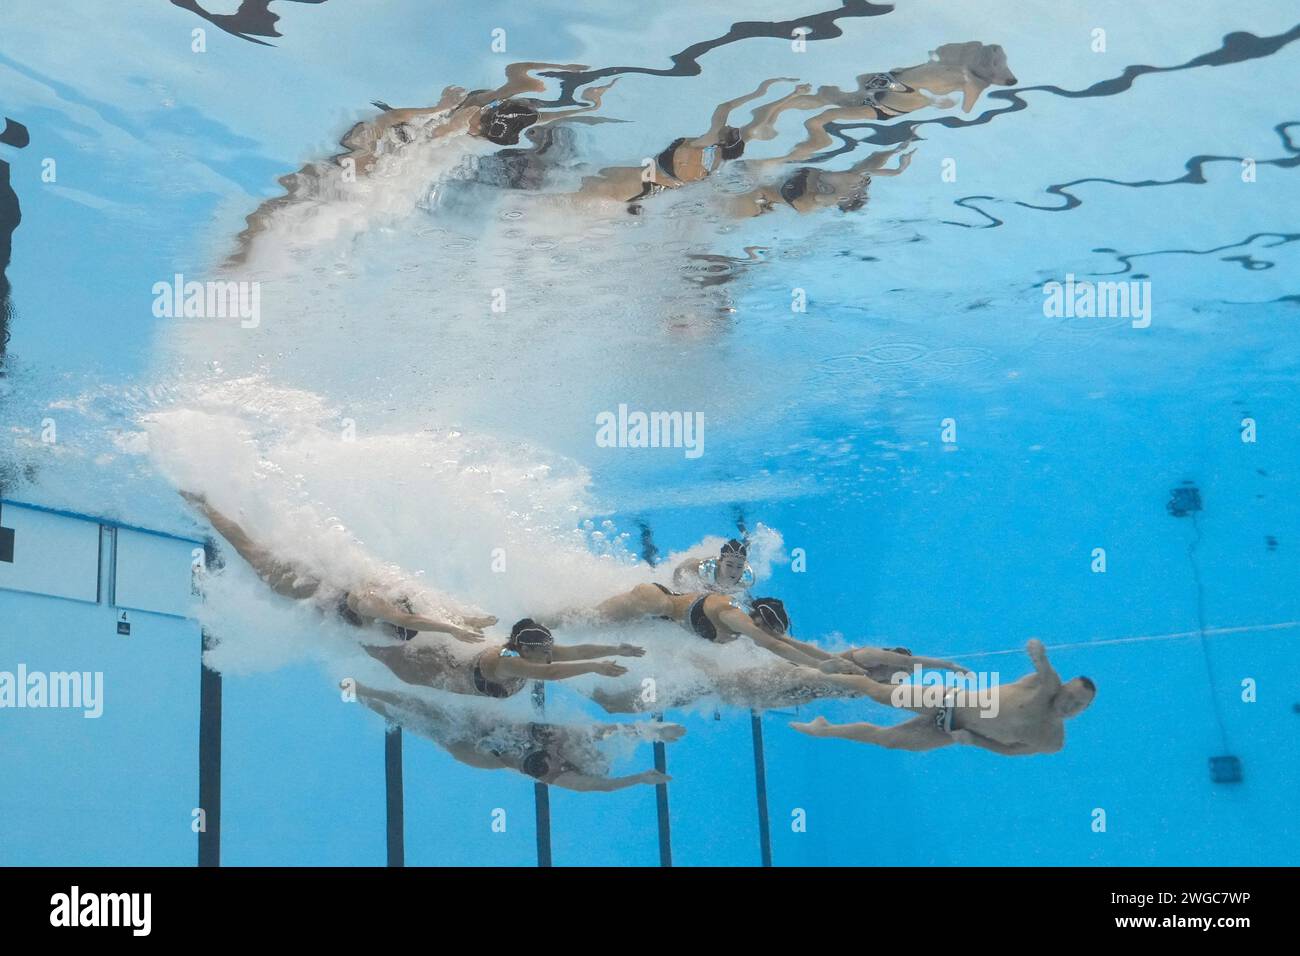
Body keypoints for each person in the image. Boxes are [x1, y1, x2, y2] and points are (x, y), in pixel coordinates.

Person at [227, 61, 619, 264]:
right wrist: (587, 101)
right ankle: (254, 261)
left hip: (375, 182)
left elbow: (395, 124)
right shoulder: (475, 135)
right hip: (389, 196)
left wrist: (438, 108)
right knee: (291, 219)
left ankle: (243, 261)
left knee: (275, 212)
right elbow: (524, 90)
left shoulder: (453, 124)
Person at [182, 490, 493, 642]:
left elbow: (420, 614)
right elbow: (409, 619)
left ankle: (220, 501)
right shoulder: (373, 604)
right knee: (245, 543)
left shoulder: (386, 608)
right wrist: (454, 629)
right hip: (288, 580)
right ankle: (203, 503)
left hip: (308, 577)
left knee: (252, 538)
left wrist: (464, 619)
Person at [351, 681, 678, 792]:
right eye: (588, 749)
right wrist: (652, 730)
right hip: (490, 724)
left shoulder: (563, 775)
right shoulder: (571, 736)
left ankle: (368, 699)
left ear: (579, 766)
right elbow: (611, 730)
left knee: (423, 725)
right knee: (429, 706)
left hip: (481, 752)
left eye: (586, 757)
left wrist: (637, 779)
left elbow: (602, 787)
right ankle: (369, 688)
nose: (583, 747)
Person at [792, 639, 1095, 755]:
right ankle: (823, 672)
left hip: (952, 732)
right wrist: (1037, 650)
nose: (1069, 705)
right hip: (948, 701)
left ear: (1084, 710)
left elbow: (1012, 750)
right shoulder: (1046, 685)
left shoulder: (1052, 740)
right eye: (1070, 696)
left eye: (1077, 705)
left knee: (888, 741)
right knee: (879, 693)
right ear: (1063, 687)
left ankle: (824, 729)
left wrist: (975, 740)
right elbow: (1042, 661)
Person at [554, 585, 862, 673]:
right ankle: (534, 615)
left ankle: (543, 622)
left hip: (656, 617)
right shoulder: (734, 616)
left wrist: (831, 660)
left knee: (585, 625)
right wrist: (824, 669)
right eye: (769, 628)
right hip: (650, 601)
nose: (771, 634)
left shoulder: (753, 624)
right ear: (759, 620)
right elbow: (775, 647)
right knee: (584, 619)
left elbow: (791, 644)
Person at [590, 645, 970, 714]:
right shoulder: (870, 657)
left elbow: (910, 681)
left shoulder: (884, 682)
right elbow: (914, 662)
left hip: (788, 694)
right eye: (900, 666)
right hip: (787, 677)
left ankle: (614, 700)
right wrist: (950, 668)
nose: (899, 674)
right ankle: (669, 646)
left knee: (702, 690)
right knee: (715, 680)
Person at [363, 617, 643, 699]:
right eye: (544, 651)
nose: (549, 654)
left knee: (382, 645)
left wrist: (616, 649)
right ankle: (351, 630)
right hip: (424, 671)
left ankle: (363, 631)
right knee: (381, 652)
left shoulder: (532, 650)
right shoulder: (507, 660)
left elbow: (577, 651)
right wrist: (596, 667)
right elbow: (552, 673)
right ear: (524, 649)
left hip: (446, 665)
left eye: (549, 649)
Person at [671, 538, 755, 594]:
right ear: (719, 561)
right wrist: (678, 588)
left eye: (739, 567)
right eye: (729, 565)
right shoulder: (706, 568)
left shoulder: (748, 578)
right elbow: (679, 568)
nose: (734, 571)